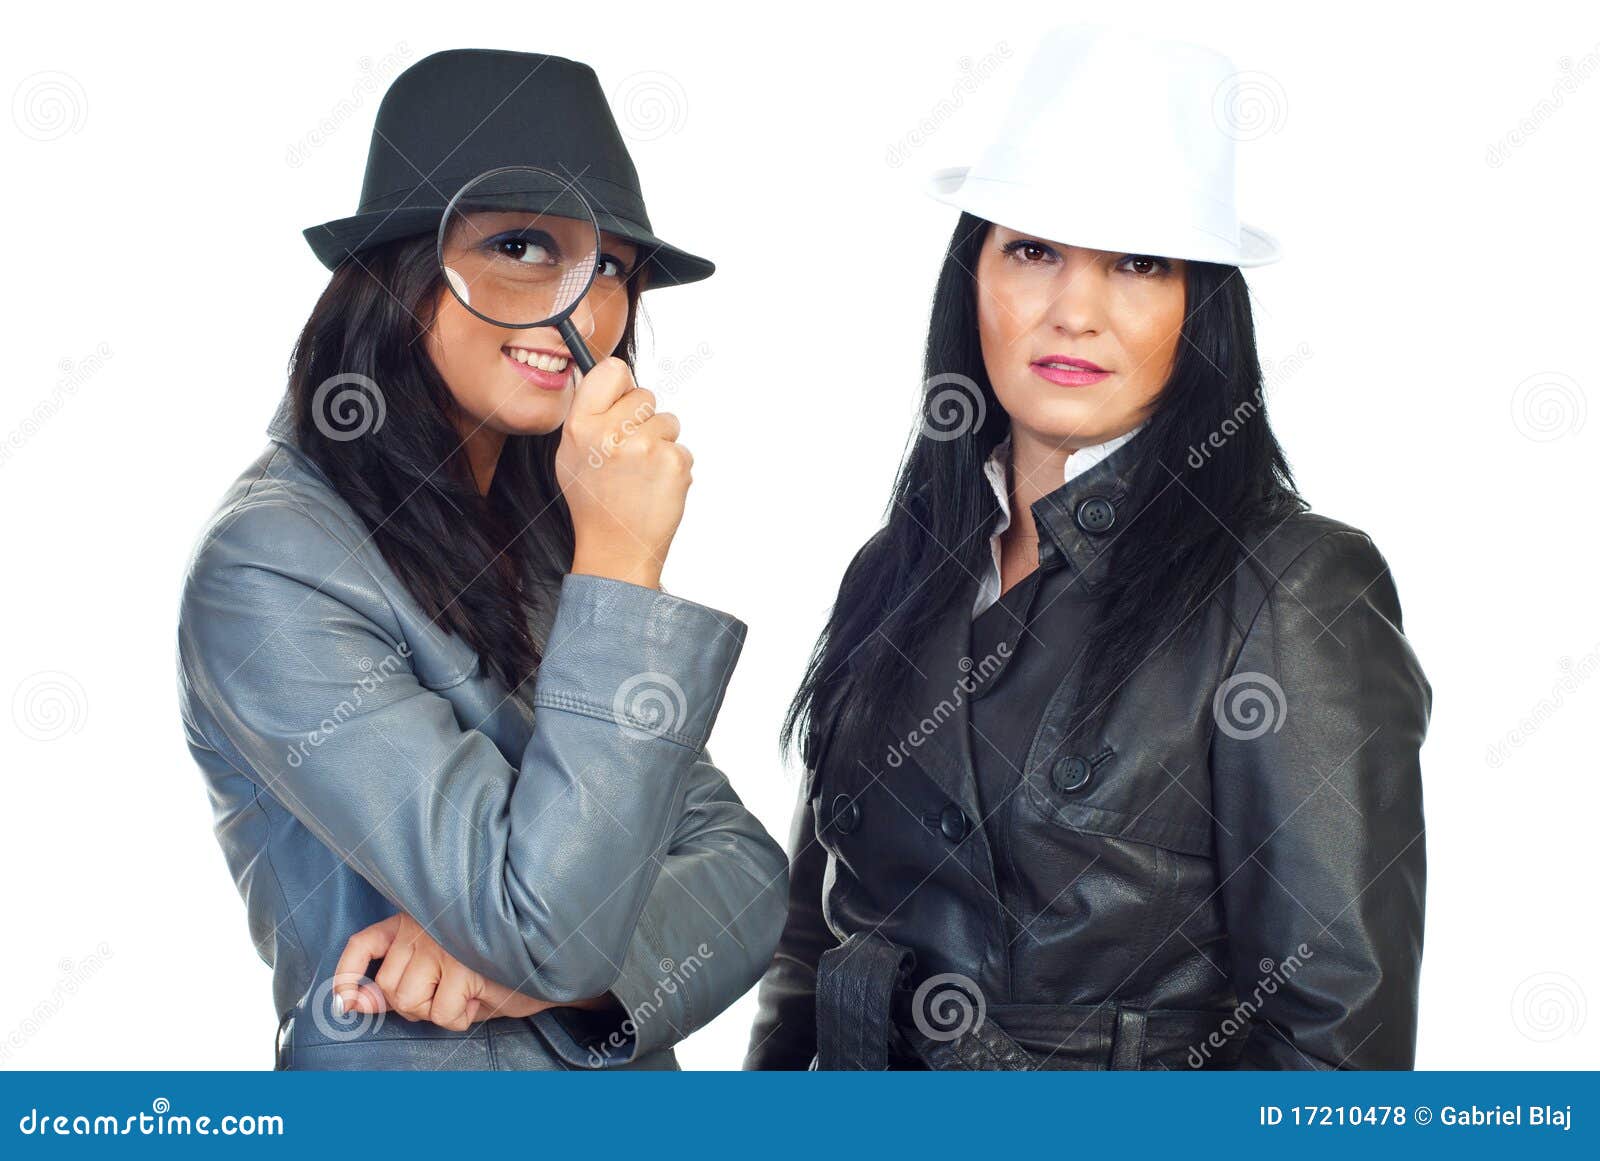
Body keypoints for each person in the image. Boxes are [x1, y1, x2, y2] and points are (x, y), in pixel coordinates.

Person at [746, 26, 1430, 1070]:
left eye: (1138, 265)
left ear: (1199, 308)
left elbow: (1332, 1040)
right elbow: (812, 953)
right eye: (1033, 251)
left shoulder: (1293, 588)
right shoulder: (893, 566)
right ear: (970, 275)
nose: (1075, 312)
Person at [176, 48, 786, 1070]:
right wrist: (623, 562)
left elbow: (746, 876)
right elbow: (547, 924)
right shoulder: (271, 565)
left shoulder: (545, 531)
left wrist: (536, 969)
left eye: (613, 274)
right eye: (519, 248)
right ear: (402, 270)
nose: (582, 312)